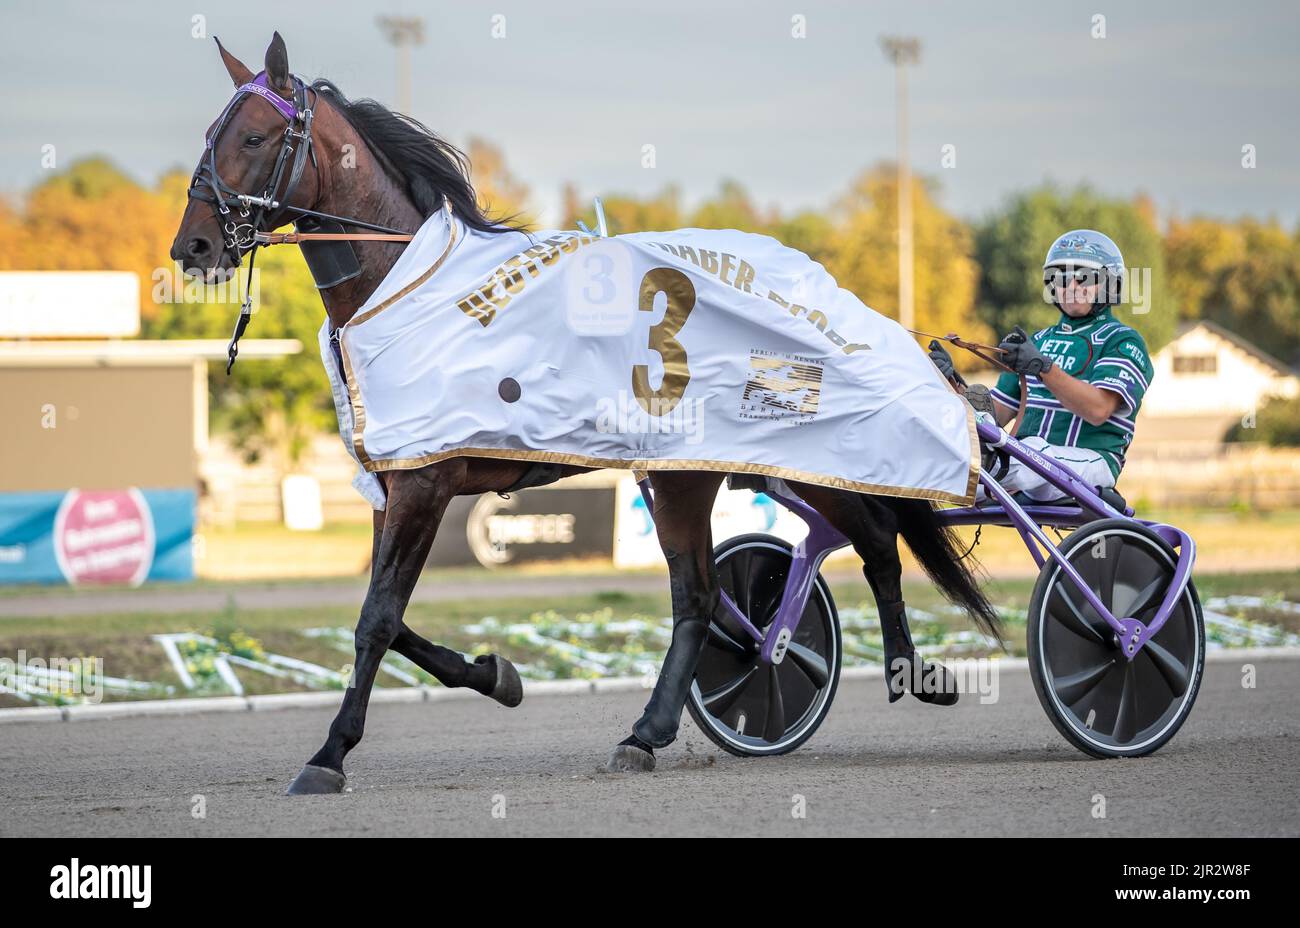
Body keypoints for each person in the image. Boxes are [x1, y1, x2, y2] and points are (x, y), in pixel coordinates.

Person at [930, 229, 1154, 500]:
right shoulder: (1037, 341)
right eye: (1061, 278)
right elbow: (996, 415)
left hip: (1091, 462)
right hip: (1025, 465)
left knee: (1032, 453)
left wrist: (1043, 368)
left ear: (1109, 282)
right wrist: (951, 385)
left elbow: (1098, 409)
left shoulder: (1123, 340)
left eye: (1084, 278)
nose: (1071, 287)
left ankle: (994, 464)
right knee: (937, 477)